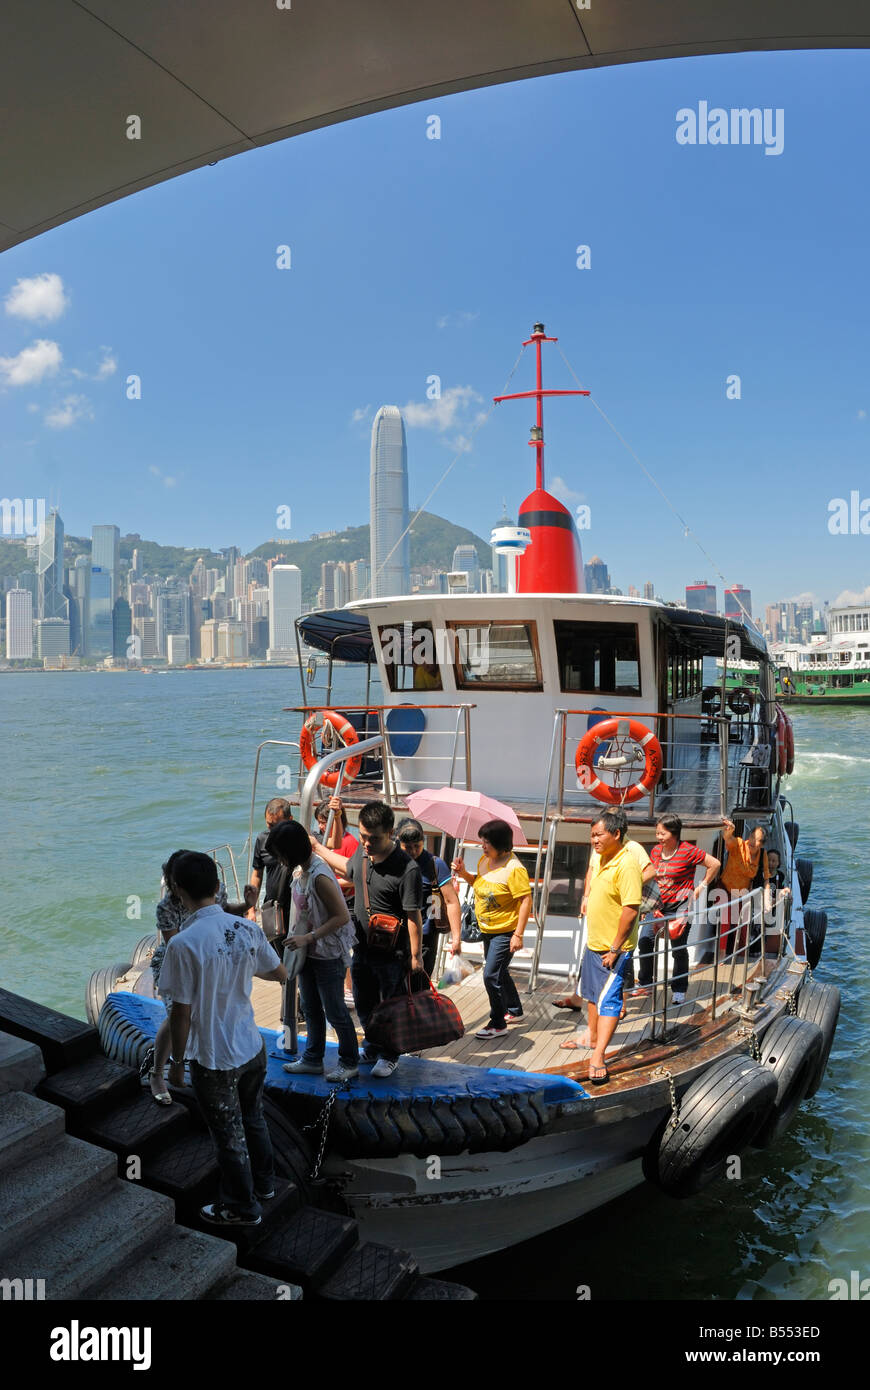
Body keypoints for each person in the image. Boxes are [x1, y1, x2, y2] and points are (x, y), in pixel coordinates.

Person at [158, 851, 288, 1228]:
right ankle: (264, 1187)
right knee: (254, 1118)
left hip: (214, 1057)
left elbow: (180, 1013)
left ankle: (241, 1208)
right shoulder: (245, 929)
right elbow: (279, 973)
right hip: (251, 1045)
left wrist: (178, 1064)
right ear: (217, 887)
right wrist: (240, 965)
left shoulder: (183, 944)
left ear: (177, 890)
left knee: (228, 1136)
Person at [313, 801, 423, 1079]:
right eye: (362, 836)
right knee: (364, 1003)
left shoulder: (407, 869)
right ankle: (373, 1047)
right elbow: (344, 867)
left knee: (392, 1006)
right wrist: (318, 849)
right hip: (362, 947)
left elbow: (413, 915)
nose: (366, 842)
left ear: (390, 833)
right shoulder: (362, 857)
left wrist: (415, 955)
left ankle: (390, 1054)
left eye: (374, 838)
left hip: (394, 954)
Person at [146, 850, 256, 1105]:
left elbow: (225, 911)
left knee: (204, 1012)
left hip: (209, 953)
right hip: (179, 958)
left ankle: (206, 1066)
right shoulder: (166, 907)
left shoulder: (215, 893)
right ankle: (157, 1072)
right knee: (178, 1012)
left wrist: (247, 906)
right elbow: (175, 945)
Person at [266, 820, 360, 1084]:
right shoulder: (301, 870)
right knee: (310, 1006)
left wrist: (309, 937)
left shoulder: (319, 876)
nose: (279, 859)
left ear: (291, 851)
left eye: (280, 853)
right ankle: (312, 1058)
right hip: (305, 951)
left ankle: (349, 1061)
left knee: (335, 1009)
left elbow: (341, 916)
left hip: (326, 952)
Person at [564, 811, 643, 1083]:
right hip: (593, 943)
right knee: (591, 996)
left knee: (608, 1001)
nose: (594, 840)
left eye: (599, 835)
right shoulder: (600, 858)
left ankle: (599, 1056)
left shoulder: (627, 865)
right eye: (592, 835)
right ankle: (593, 1037)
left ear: (616, 834)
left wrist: (615, 948)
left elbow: (631, 910)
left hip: (612, 950)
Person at [554, 808, 655, 1013]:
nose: (595, 837)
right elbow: (592, 869)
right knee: (589, 957)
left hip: (617, 920)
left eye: (600, 831)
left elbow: (650, 870)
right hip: (598, 921)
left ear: (616, 828)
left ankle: (622, 1004)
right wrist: (586, 896)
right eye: (594, 833)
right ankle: (578, 998)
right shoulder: (600, 847)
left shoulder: (631, 848)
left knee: (621, 962)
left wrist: (626, 888)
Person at [452, 819, 531, 1039]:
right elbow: (479, 883)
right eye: (482, 842)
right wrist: (464, 873)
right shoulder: (485, 860)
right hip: (487, 928)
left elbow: (526, 900)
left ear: (500, 843)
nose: (482, 846)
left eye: (487, 842)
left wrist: (518, 934)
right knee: (499, 971)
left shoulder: (514, 869)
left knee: (490, 975)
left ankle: (497, 1023)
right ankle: (514, 1010)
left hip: (505, 931)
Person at [631, 815, 721, 1005]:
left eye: (662, 833)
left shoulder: (687, 851)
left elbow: (715, 864)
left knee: (678, 949)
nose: (659, 837)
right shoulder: (655, 851)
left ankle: (679, 989)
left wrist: (701, 886)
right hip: (657, 907)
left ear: (674, 833)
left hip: (680, 909)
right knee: (645, 941)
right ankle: (646, 983)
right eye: (657, 833)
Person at [397, 818, 462, 978]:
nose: (412, 851)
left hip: (425, 938)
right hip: (396, 936)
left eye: (417, 847)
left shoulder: (435, 865)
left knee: (420, 989)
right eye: (407, 847)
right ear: (398, 842)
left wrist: (456, 938)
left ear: (424, 841)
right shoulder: (391, 862)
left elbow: (451, 901)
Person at [314, 796, 359, 1005]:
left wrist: (330, 885)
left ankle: (348, 988)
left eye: (325, 822)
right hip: (326, 905)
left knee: (346, 947)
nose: (322, 827)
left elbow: (355, 879)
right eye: (320, 822)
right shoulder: (321, 843)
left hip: (347, 903)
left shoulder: (350, 843)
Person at [719, 818, 770, 957]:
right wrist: (729, 833)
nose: (753, 841)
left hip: (743, 893)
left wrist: (767, 900)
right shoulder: (740, 844)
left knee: (742, 926)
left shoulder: (762, 854)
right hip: (725, 889)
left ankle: (740, 955)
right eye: (752, 837)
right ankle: (721, 955)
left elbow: (766, 879)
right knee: (725, 920)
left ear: (762, 844)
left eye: (758, 840)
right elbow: (728, 840)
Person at [246, 798, 294, 935]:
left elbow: (333, 844)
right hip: (272, 907)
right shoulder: (262, 839)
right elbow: (257, 874)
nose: (272, 830)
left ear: (290, 819)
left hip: (296, 908)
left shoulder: (299, 838)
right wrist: (251, 909)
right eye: (269, 825)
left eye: (276, 825)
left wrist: (336, 816)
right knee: (274, 951)